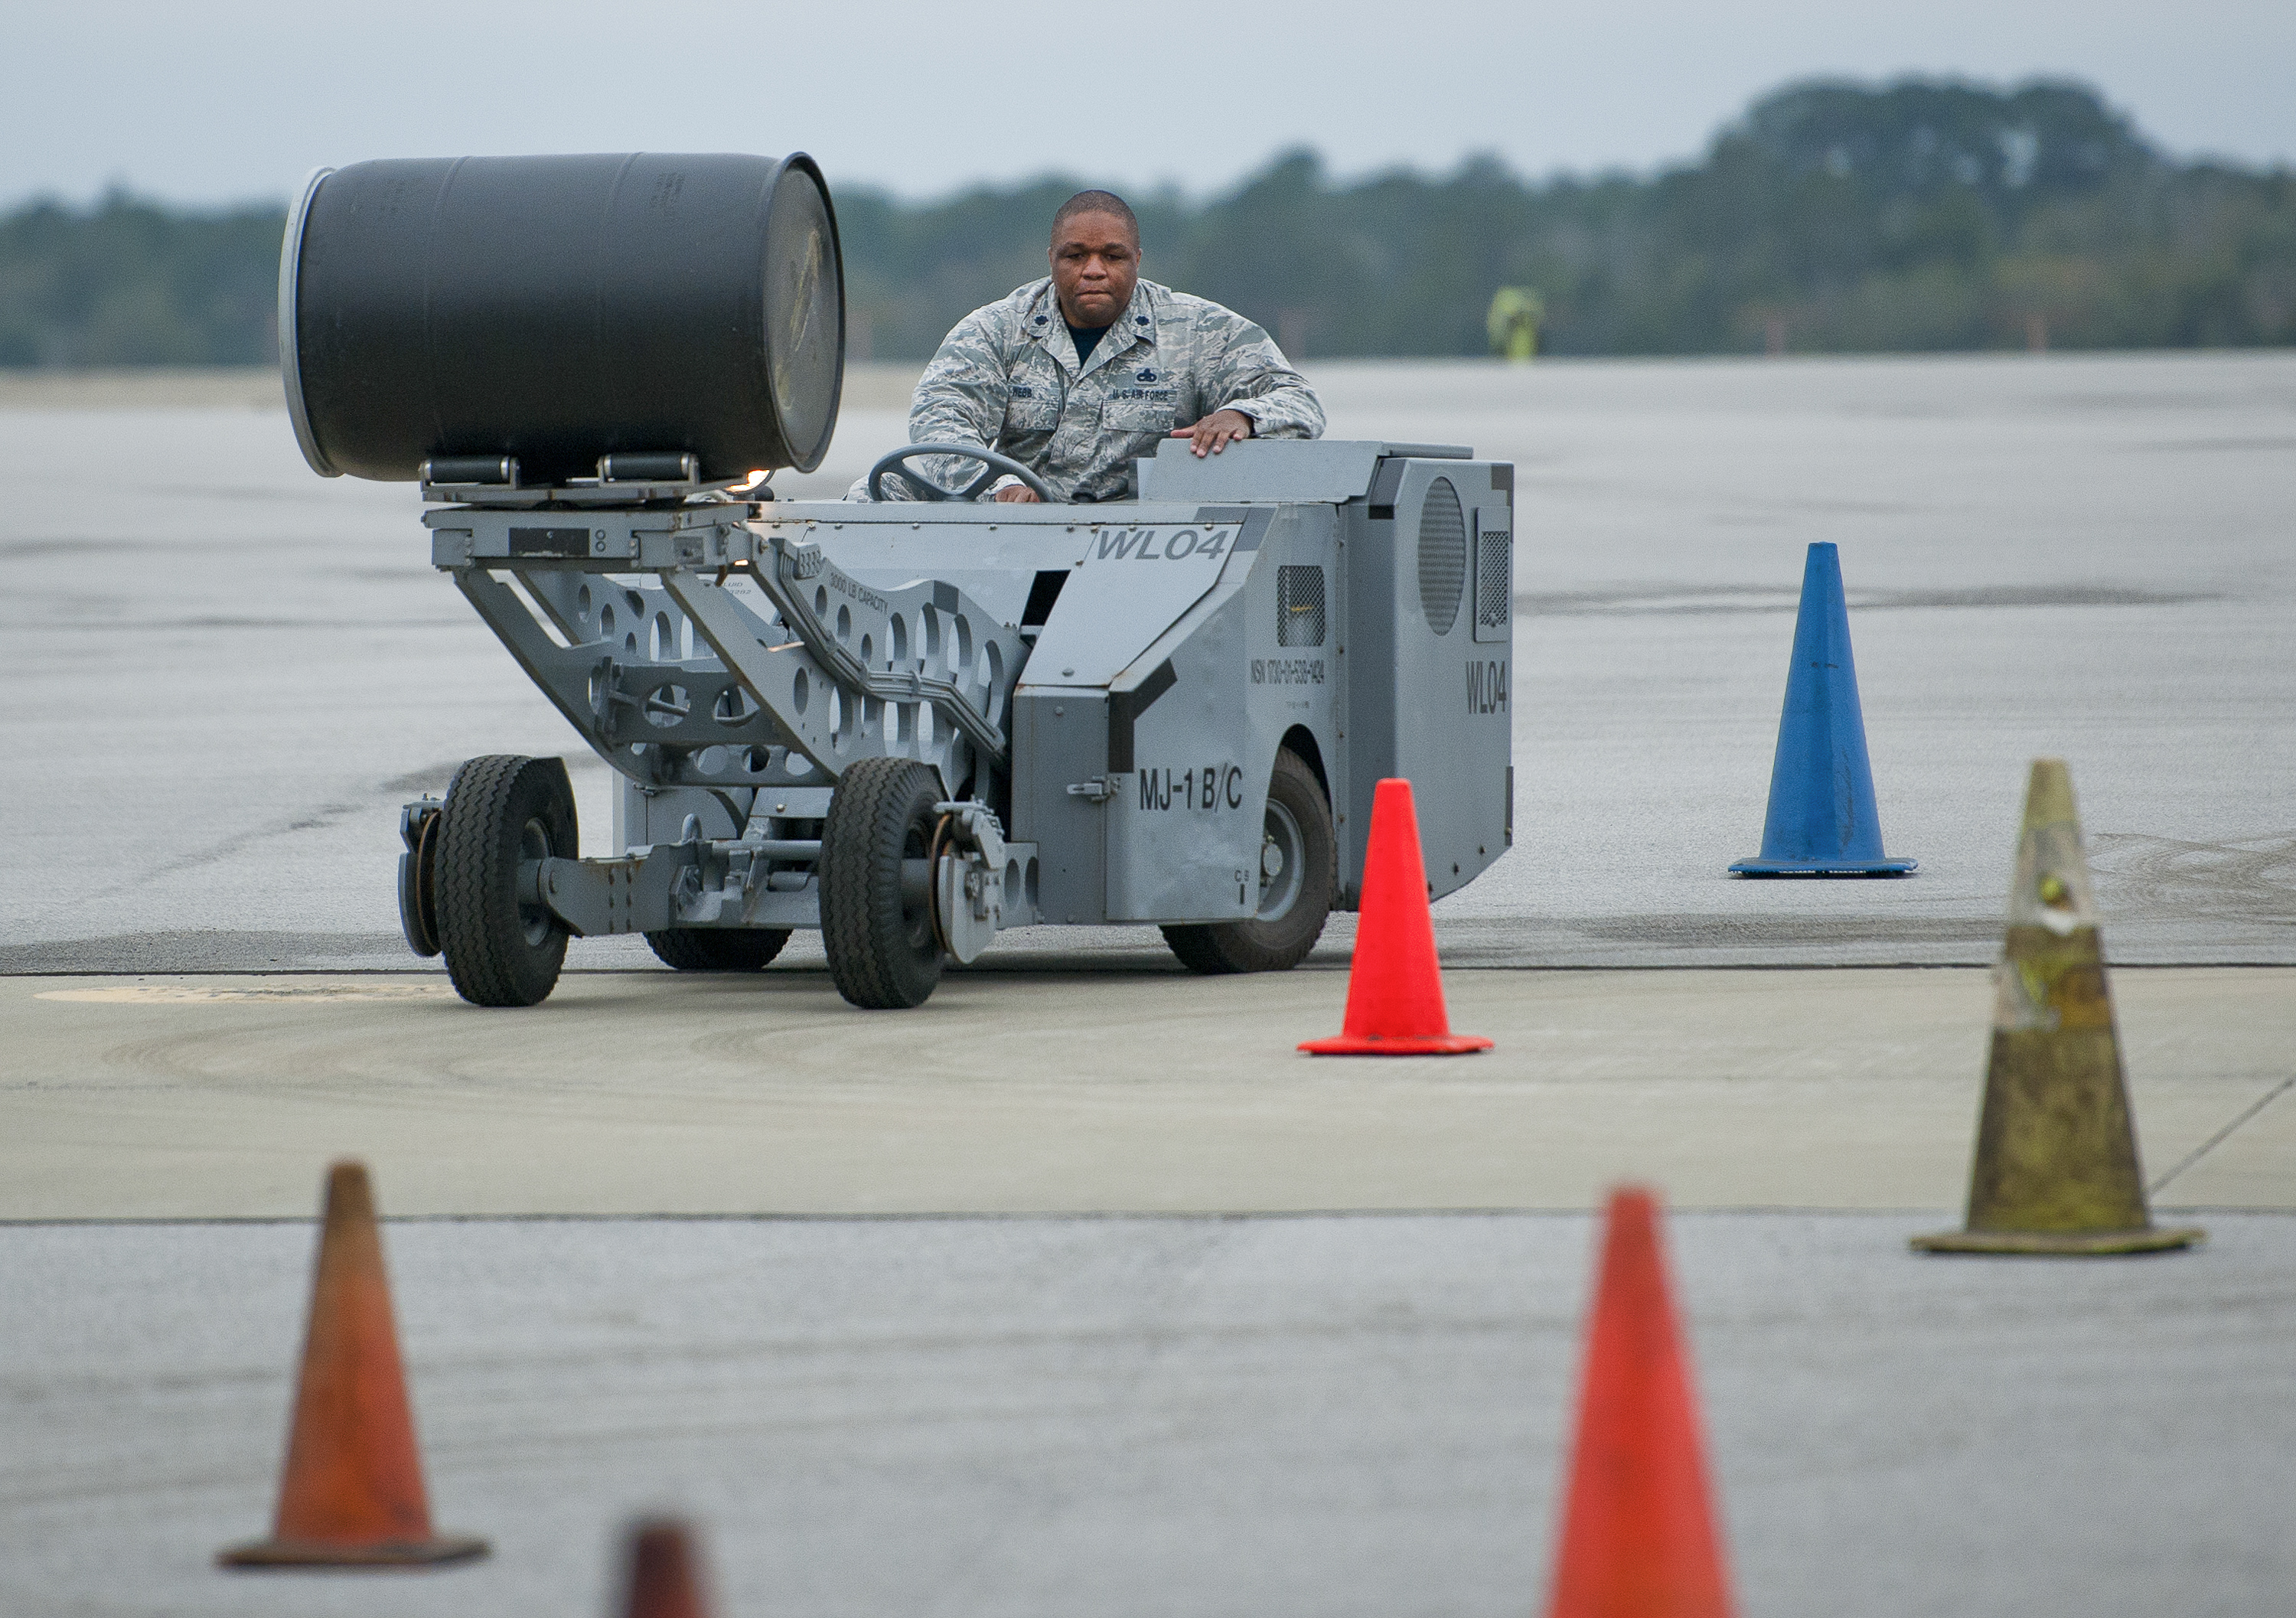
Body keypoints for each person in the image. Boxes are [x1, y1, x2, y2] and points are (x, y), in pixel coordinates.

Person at [859, 190, 1323, 503]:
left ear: (1137, 260)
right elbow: (940, 420)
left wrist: (1241, 416)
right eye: (1076, 255)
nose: (1094, 270)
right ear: (1052, 260)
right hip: (1013, 526)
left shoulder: (1199, 331)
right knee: (878, 492)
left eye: (1113, 256)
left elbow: (1300, 403)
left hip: (1141, 542)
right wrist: (998, 486)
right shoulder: (996, 328)